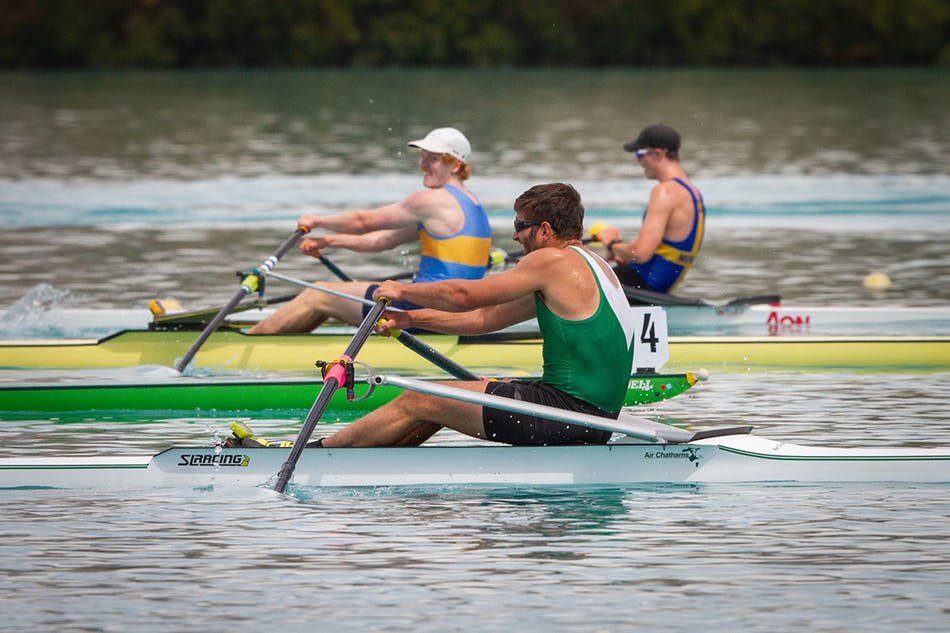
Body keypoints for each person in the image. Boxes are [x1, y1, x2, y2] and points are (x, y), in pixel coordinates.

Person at [303, 182, 637, 448]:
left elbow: (464, 297)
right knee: (446, 396)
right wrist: (413, 319)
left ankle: (319, 453)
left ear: (545, 229)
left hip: (566, 415)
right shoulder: (592, 265)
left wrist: (403, 292)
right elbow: (485, 319)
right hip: (592, 417)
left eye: (521, 225)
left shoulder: (551, 260)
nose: (515, 235)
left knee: (420, 397)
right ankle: (368, 459)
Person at [248, 127, 491, 334]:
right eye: (422, 156)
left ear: (456, 165)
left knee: (317, 294)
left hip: (422, 307)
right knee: (336, 295)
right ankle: (287, 341)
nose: (423, 164)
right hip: (454, 309)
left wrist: (318, 220)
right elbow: (381, 241)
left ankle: (249, 344)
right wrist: (328, 241)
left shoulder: (430, 201)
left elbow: (364, 222)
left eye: (433, 158)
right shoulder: (473, 203)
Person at [591, 123, 705, 294]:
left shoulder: (665, 192)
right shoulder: (694, 193)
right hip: (656, 289)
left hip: (638, 287)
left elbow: (641, 253)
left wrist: (612, 243)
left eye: (640, 154)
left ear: (658, 154)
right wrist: (623, 254)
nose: (638, 160)